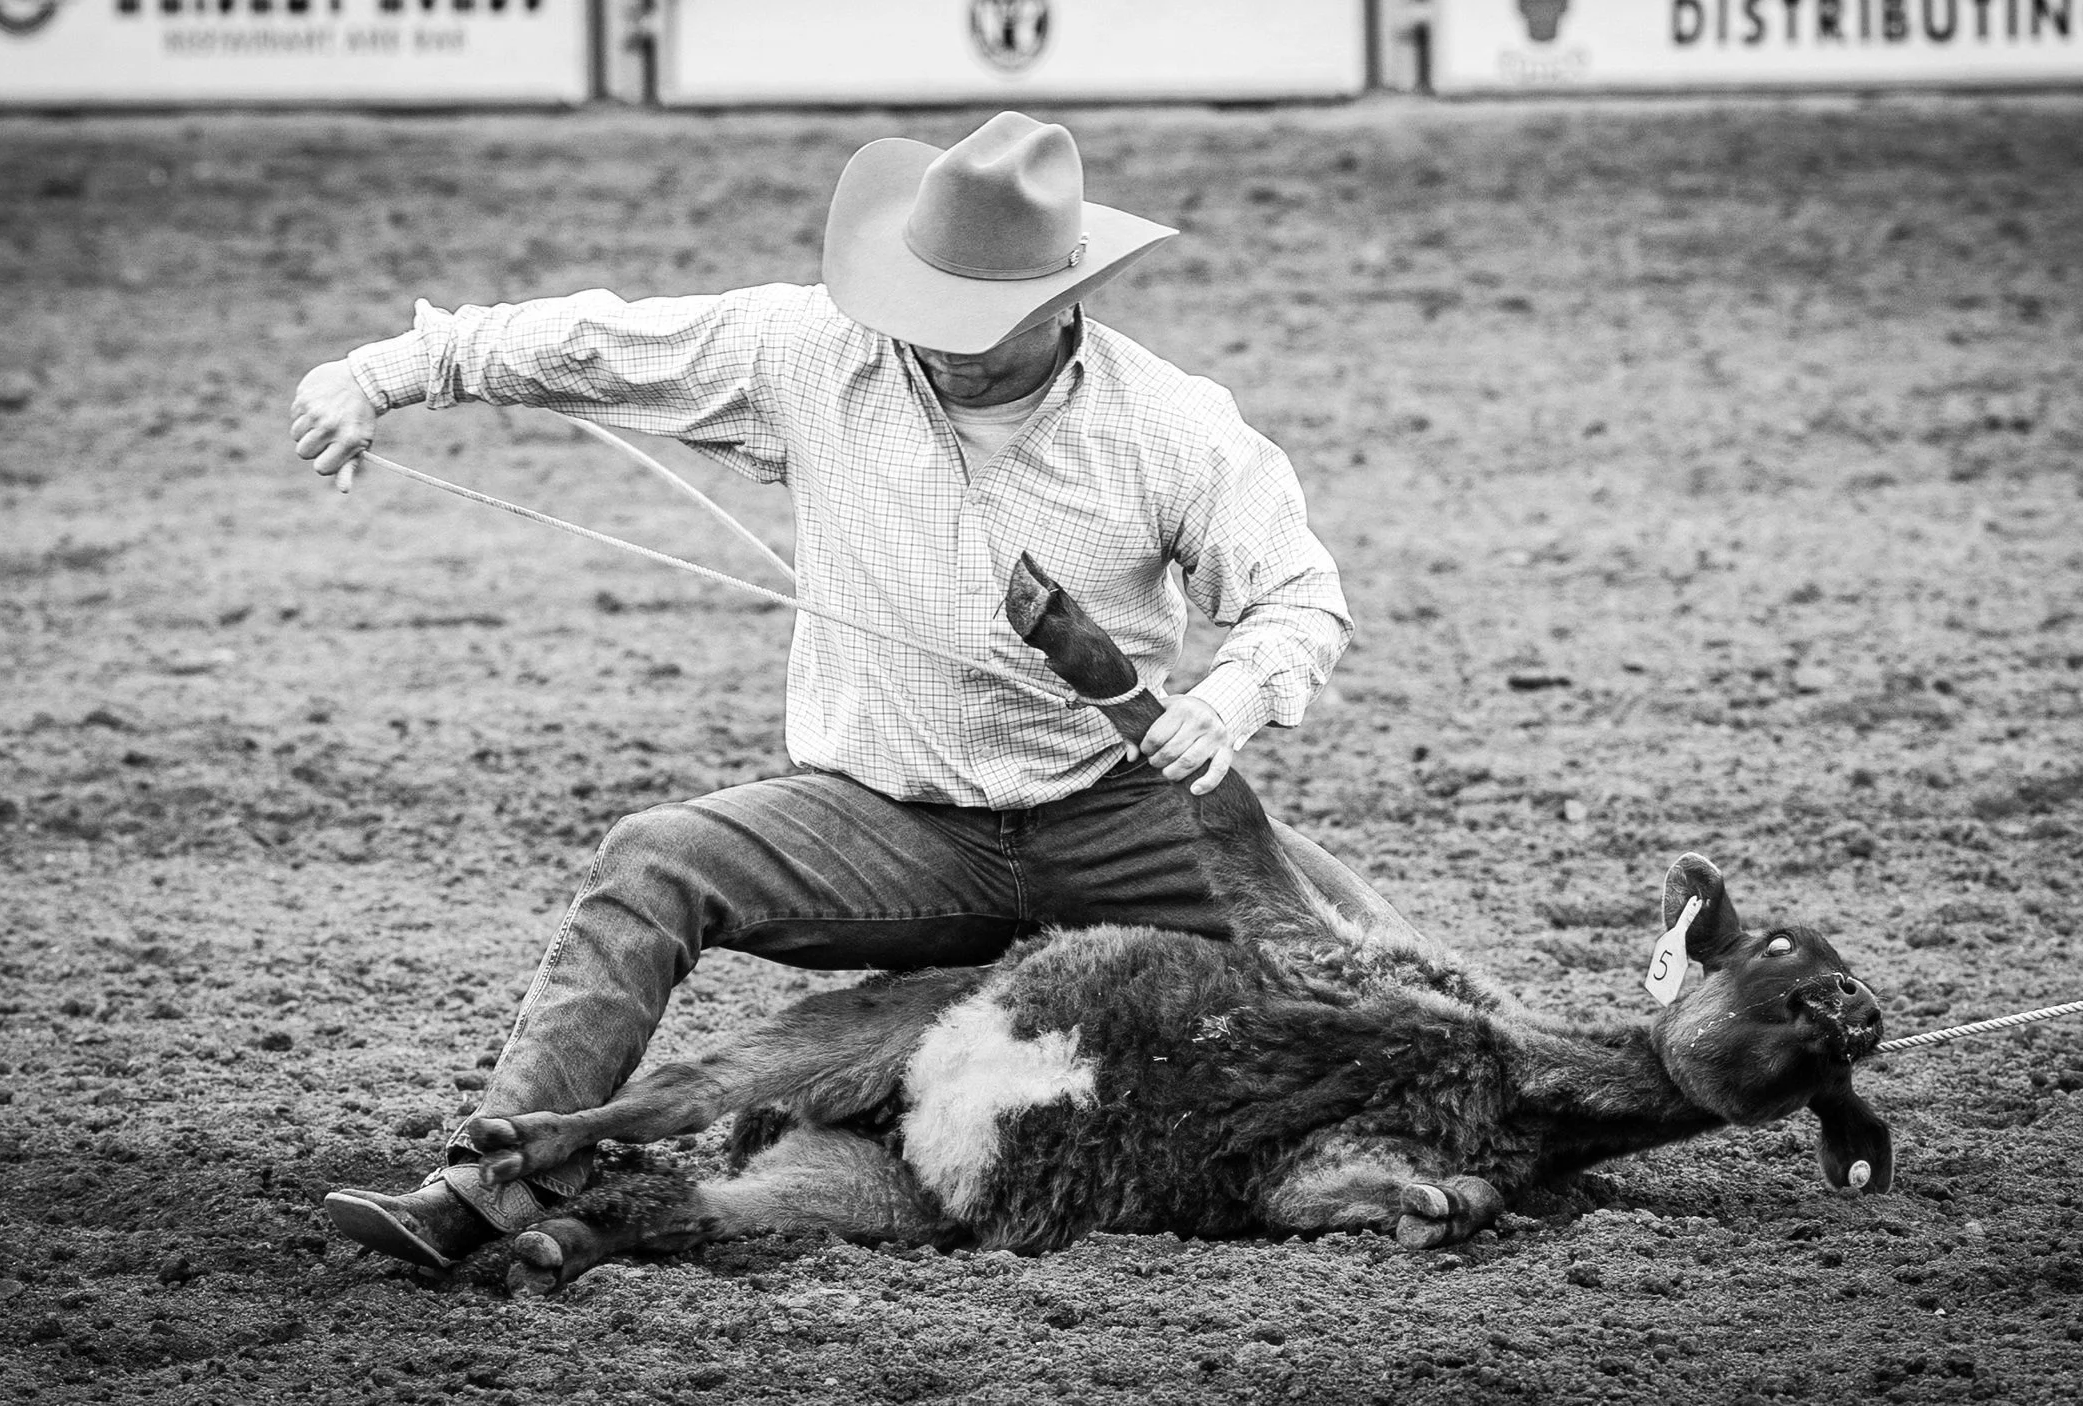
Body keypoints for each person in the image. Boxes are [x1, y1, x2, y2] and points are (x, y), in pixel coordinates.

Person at [289, 112, 1385, 1271]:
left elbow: (1302, 597)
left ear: (1065, 296)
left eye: (981, 314)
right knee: (656, 859)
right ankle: (492, 1178)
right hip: (888, 823)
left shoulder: (1170, 425)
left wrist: (1230, 696)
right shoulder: (814, 352)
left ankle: (1472, 1144)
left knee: (1371, 956)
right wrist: (383, 374)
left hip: (1116, 815)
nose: (947, 341)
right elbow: (600, 343)